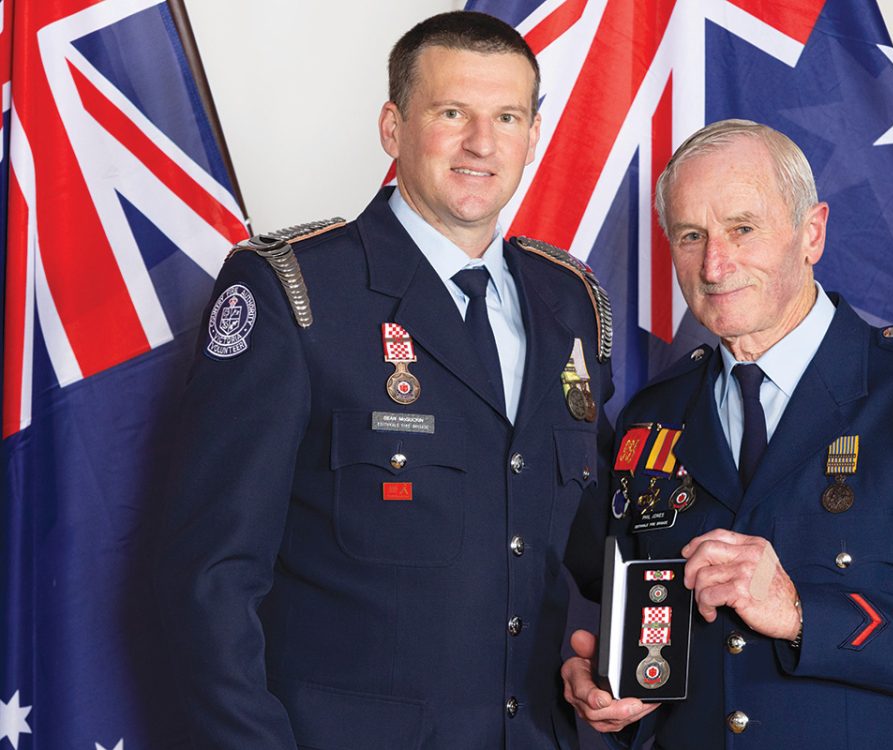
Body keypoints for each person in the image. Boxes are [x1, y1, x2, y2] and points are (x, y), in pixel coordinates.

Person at [154, 11, 612, 749]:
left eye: (507, 116)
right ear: (393, 128)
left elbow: (596, 540)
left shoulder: (571, 306)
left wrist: (630, 668)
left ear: (534, 133)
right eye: (452, 113)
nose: (481, 144)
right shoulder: (295, 294)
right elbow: (211, 578)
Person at [562, 119, 893, 749]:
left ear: (812, 233)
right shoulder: (656, 415)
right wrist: (607, 685)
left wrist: (802, 613)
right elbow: (647, 630)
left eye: (742, 229)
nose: (715, 263)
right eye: (691, 236)